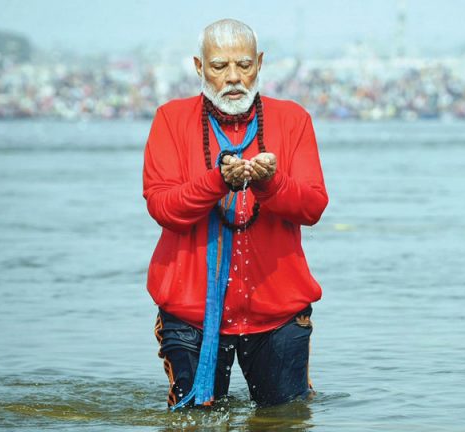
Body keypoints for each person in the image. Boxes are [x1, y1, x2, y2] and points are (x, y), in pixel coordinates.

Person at [142, 18, 328, 409]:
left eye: (244, 65)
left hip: (279, 314)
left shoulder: (293, 120)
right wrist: (216, 182)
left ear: (260, 63)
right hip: (189, 313)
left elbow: (313, 206)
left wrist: (271, 184)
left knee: (286, 419)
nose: (233, 78)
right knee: (195, 420)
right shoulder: (170, 120)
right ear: (198, 67)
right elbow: (163, 207)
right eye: (219, 66)